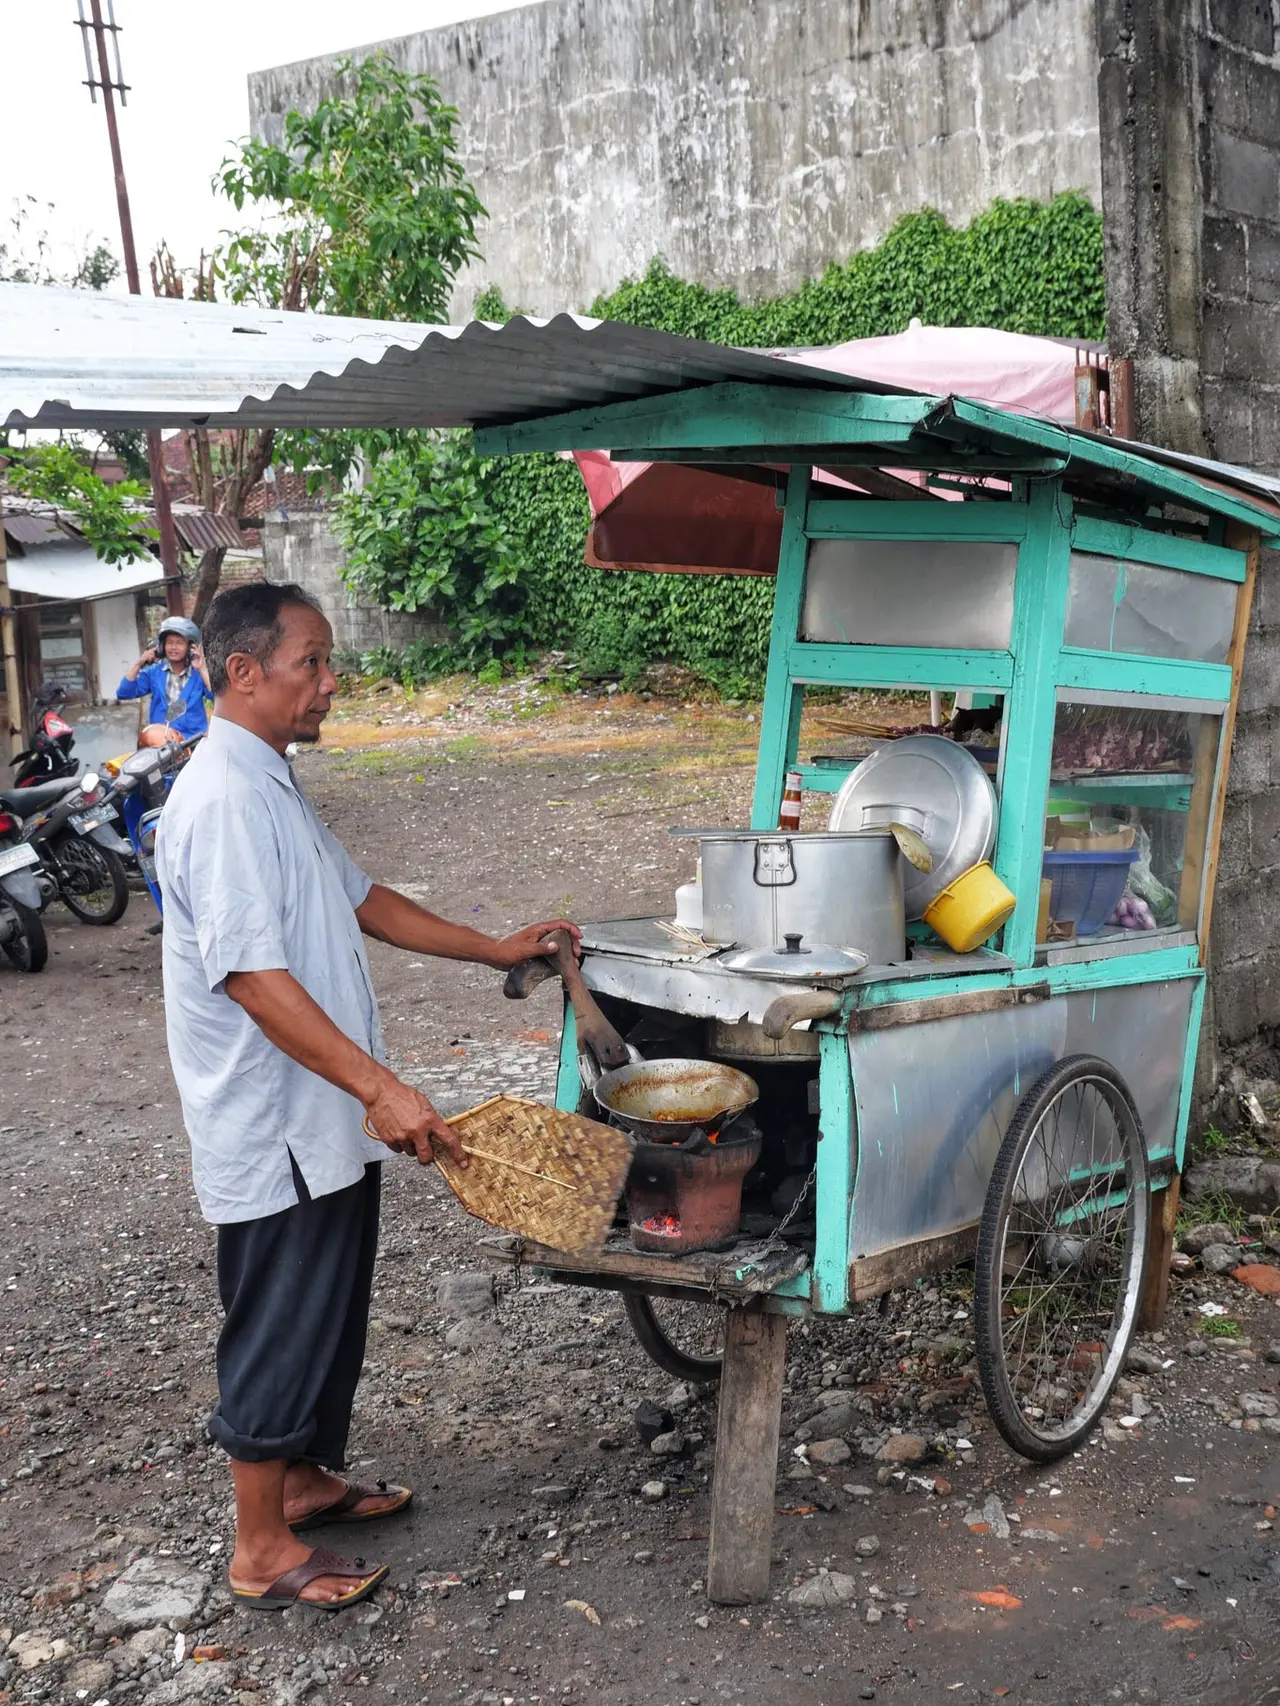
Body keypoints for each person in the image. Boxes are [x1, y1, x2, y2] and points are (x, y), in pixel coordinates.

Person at [156, 581, 579, 1613]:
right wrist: (382, 1085)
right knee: (279, 1316)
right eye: (312, 661)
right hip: (272, 1120)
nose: (330, 681)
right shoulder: (219, 799)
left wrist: (491, 946)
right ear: (244, 671)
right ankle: (259, 1546)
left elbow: (362, 897)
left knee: (328, 1308)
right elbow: (253, 979)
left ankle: (300, 1481)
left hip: (320, 1115)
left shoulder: (272, 782)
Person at [116, 615, 211, 746]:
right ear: (161, 647)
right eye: (170, 643)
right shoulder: (153, 673)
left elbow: (217, 698)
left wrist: (202, 669)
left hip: (193, 744)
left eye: (179, 643)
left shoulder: (198, 675)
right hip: (161, 745)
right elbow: (123, 692)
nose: (173, 647)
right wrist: (139, 663)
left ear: (190, 647)